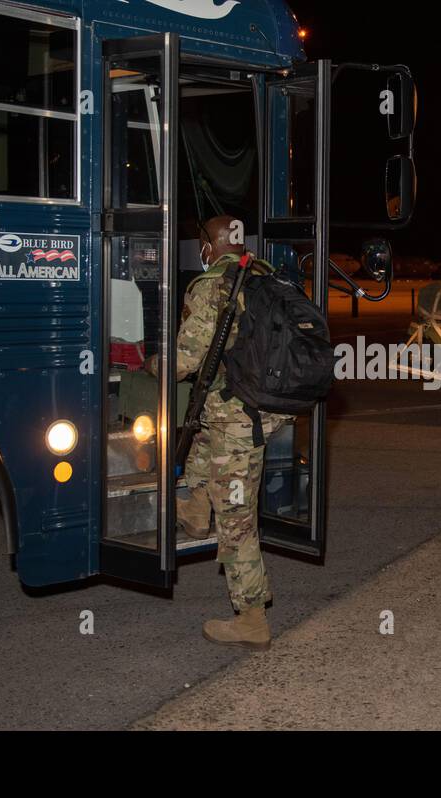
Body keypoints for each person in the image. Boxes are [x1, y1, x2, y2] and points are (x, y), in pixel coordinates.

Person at [176, 215, 290, 651]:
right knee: (203, 443)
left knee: (238, 521)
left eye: (201, 241)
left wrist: (152, 364)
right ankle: (196, 507)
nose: (200, 249)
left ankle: (251, 618)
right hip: (259, 410)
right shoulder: (263, 276)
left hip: (238, 421)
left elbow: (185, 360)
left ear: (210, 244)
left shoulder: (213, 286)